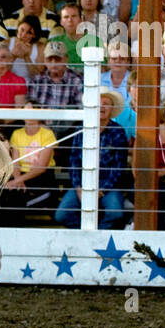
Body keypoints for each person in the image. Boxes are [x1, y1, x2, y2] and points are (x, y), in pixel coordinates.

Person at [55, 88, 128, 229]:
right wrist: (79, 188)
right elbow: (74, 162)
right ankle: (84, 235)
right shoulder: (81, 130)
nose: (102, 107)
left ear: (112, 109)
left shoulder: (118, 131)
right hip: (83, 185)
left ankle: (98, 235)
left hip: (108, 186)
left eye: (106, 104)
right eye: (99, 103)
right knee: (62, 215)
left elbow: (119, 166)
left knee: (115, 213)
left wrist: (102, 190)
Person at [0, 102, 59, 225]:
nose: (29, 115)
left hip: (43, 180)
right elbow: (15, 162)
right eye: (26, 111)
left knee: (15, 205)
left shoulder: (47, 134)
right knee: (8, 199)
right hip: (22, 177)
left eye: (32, 111)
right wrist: (18, 180)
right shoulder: (17, 134)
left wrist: (17, 181)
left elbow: (41, 167)